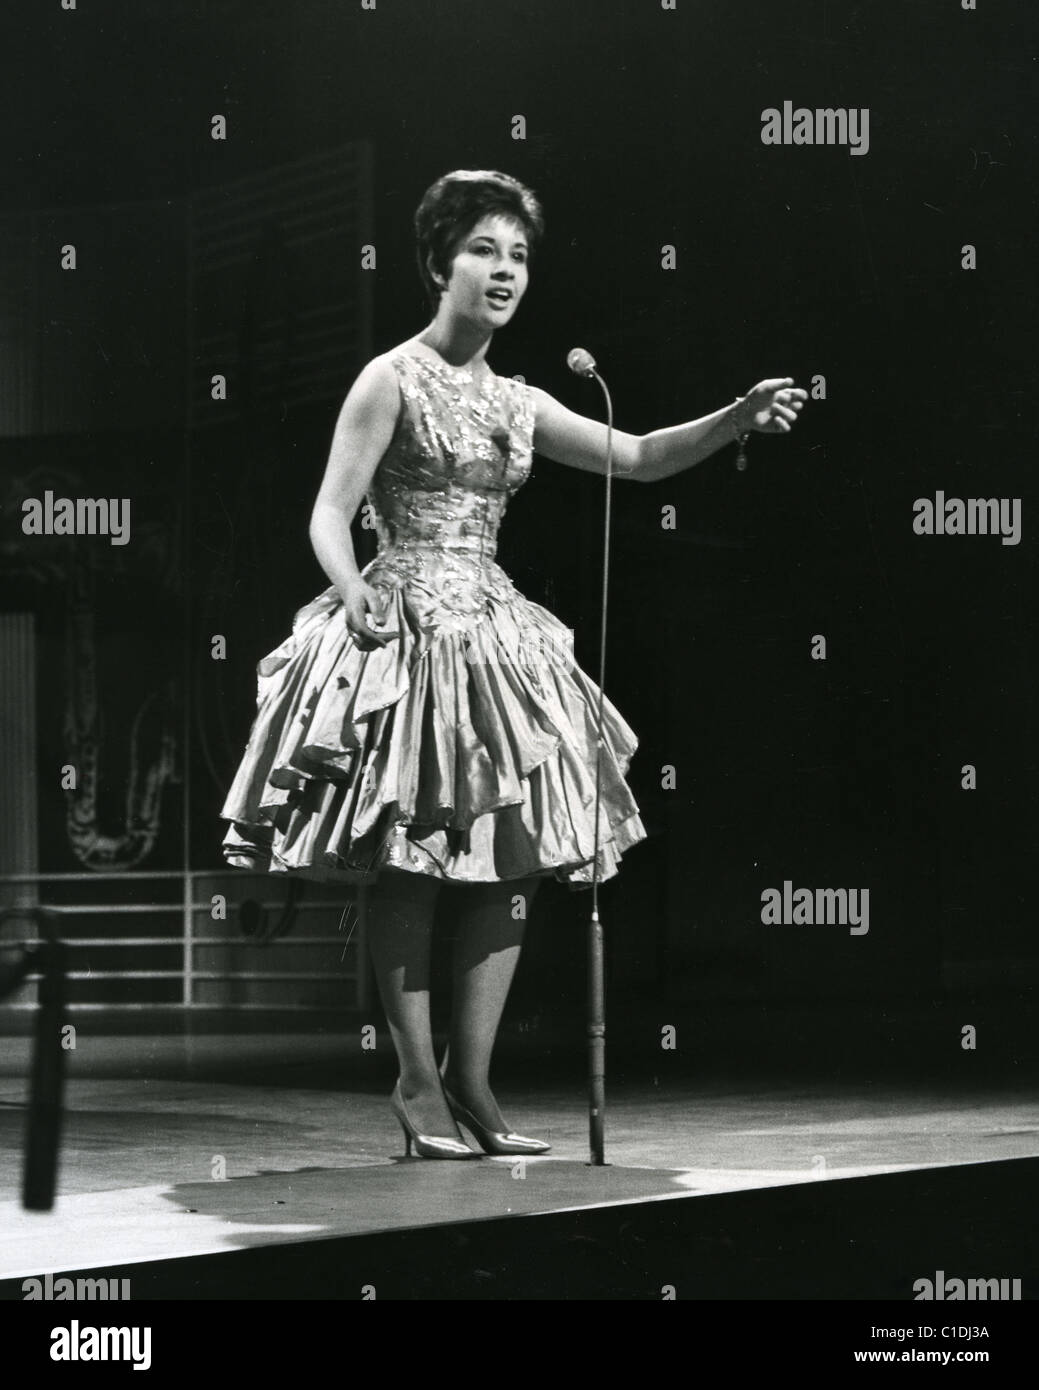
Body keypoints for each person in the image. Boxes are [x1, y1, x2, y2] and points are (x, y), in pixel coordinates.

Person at [220, 169, 806, 1159]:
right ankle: (413, 1085)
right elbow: (330, 507)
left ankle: (474, 1087)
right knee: (409, 865)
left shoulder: (523, 401)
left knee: (511, 865)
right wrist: (350, 583)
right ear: (437, 261)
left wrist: (733, 418)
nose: (503, 271)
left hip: (493, 632)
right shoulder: (389, 378)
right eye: (484, 250)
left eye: (519, 256)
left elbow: (640, 454)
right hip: (402, 624)